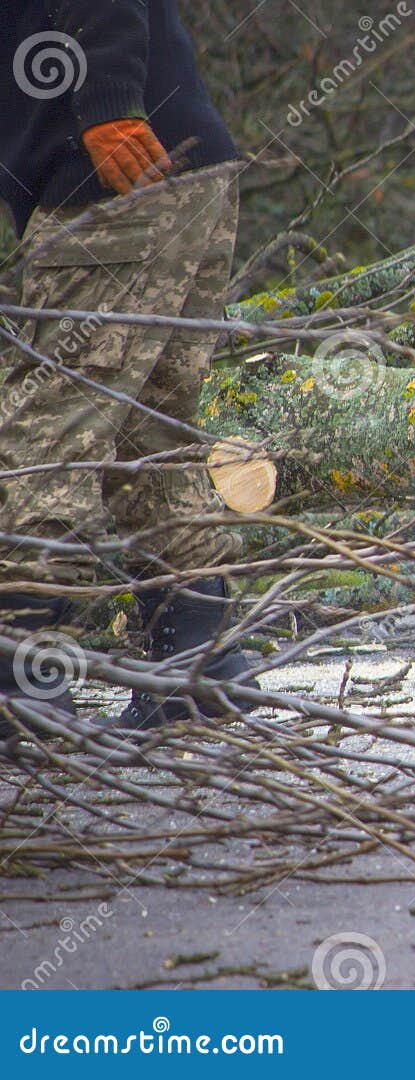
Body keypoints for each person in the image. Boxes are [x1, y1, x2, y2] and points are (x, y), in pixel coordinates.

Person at [0, 0, 258, 733]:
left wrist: (108, 101)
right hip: (188, 169)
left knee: (46, 425)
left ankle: (20, 675)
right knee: (148, 435)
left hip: (118, 168)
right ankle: (197, 666)